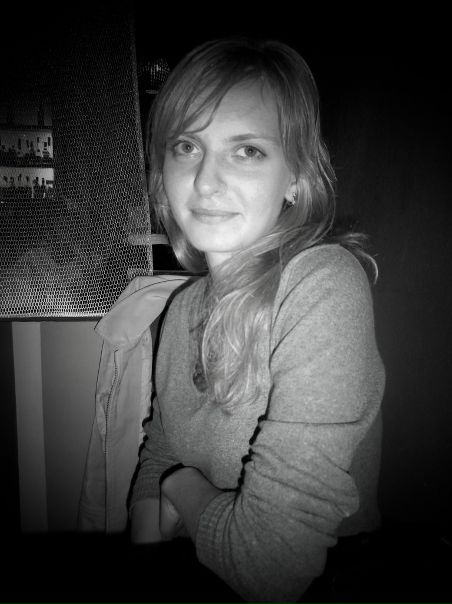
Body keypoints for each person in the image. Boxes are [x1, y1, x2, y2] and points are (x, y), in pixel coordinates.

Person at [129, 37, 385, 603]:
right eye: (187, 146)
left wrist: (183, 487)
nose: (206, 181)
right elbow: (160, 449)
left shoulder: (322, 285)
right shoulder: (182, 309)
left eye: (246, 150)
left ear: (295, 176)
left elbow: (272, 568)